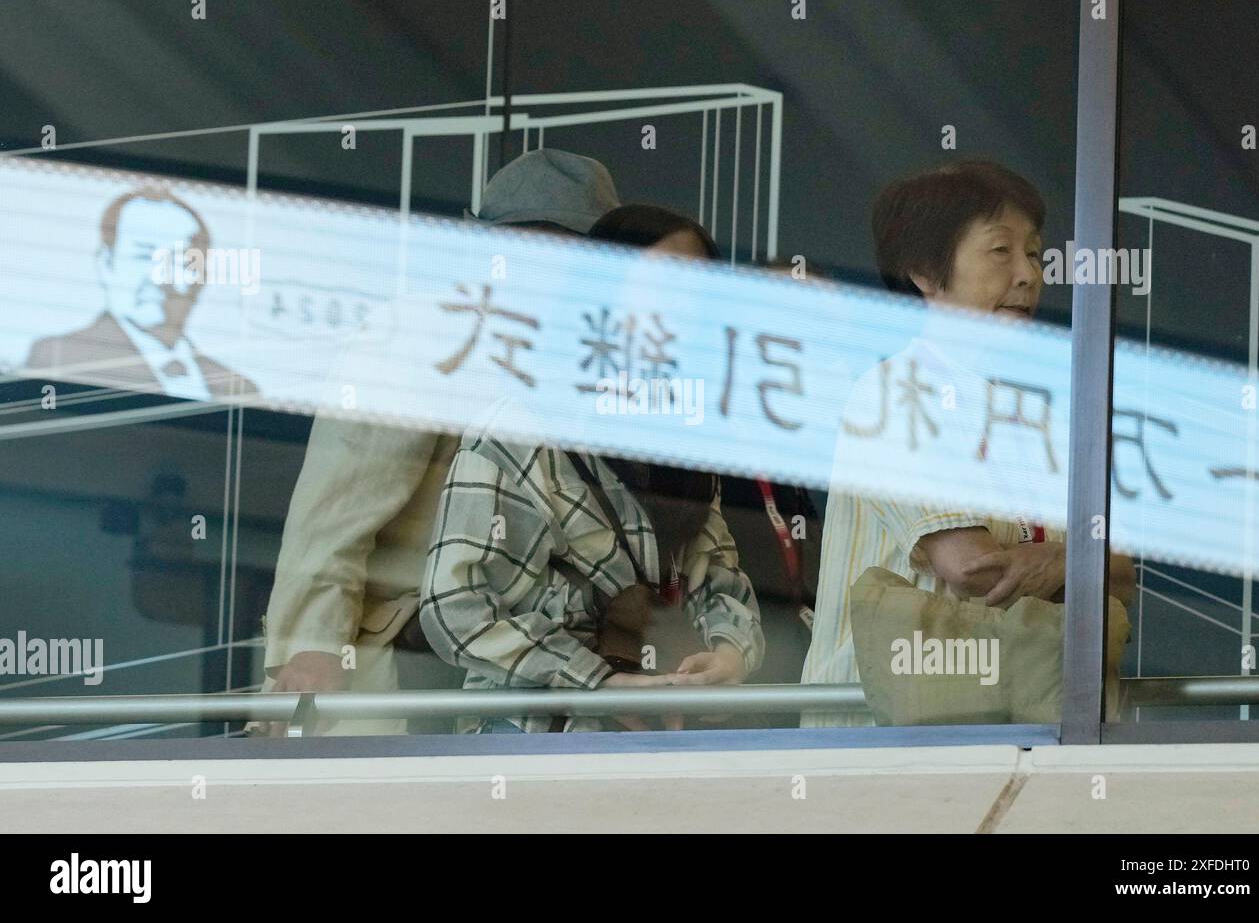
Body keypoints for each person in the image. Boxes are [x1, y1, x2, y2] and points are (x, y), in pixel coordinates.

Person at [257, 149, 620, 737]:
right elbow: (336, 505)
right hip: (406, 668)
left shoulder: (586, 358)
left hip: (540, 674)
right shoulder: (426, 329)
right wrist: (310, 646)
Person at [801, 160, 1136, 727]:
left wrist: (1053, 560)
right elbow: (972, 569)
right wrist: (1074, 564)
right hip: (882, 744)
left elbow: (1125, 577)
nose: (1029, 274)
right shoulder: (895, 393)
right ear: (926, 274)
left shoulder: (1042, 414)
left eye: (1034, 252)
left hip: (1020, 726)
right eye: (1000, 251)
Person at [419, 205, 765, 734]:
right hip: (533, 736)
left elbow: (718, 579)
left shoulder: (687, 432)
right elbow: (454, 608)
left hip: (655, 728)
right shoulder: (522, 425)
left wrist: (729, 653)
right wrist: (596, 683)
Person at [25, 186, 258, 399]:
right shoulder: (57, 357)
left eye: (179, 261)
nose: (159, 277)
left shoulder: (240, 388)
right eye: (143, 256)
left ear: (202, 277)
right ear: (106, 264)